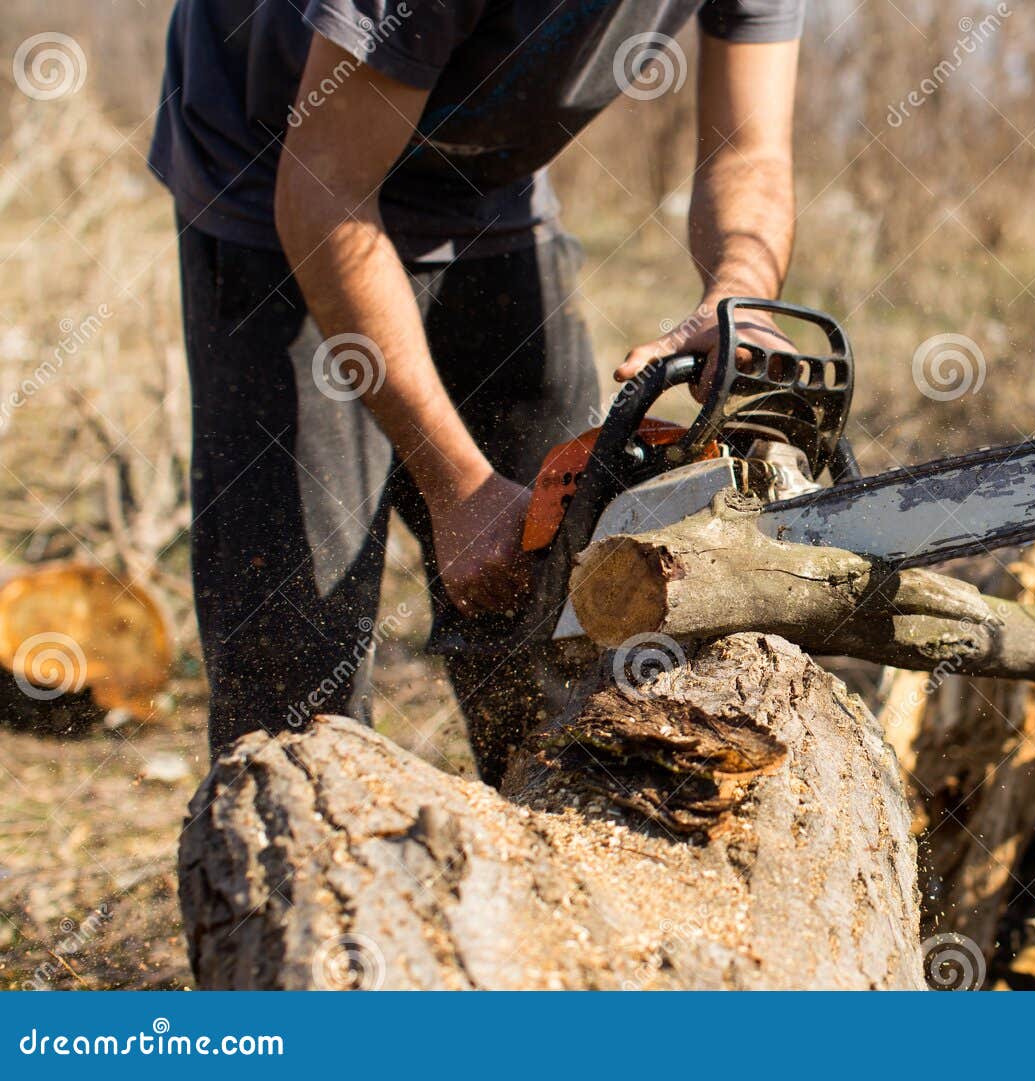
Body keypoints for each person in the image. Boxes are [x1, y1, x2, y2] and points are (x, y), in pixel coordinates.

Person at [147, 0, 804, 783]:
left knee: (562, 606)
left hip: (488, 185)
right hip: (279, 170)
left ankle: (558, 854)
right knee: (296, 652)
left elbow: (751, 150)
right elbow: (324, 192)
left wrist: (738, 298)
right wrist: (455, 484)